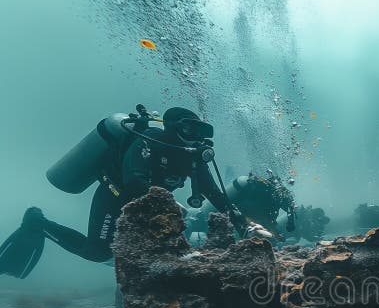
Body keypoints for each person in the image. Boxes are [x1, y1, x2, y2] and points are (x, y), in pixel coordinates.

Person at [0, 107, 244, 278]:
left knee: (154, 257)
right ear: (171, 128)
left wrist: (237, 218)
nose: (195, 137)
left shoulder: (194, 157)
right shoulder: (149, 141)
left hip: (150, 207)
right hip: (114, 196)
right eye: (189, 129)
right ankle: (38, 223)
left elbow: (214, 192)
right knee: (96, 252)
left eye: (201, 131)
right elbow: (133, 179)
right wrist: (166, 202)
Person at [186, 170, 296, 240]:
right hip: (221, 215)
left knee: (202, 225)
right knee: (198, 222)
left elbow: (265, 221)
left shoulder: (273, 201)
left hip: (232, 224)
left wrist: (276, 232)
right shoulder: (259, 191)